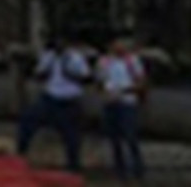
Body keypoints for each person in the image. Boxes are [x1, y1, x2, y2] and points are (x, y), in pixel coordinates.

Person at [16, 34, 96, 171]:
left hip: (69, 100)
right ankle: (19, 155)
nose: (58, 46)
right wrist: (42, 71)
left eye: (61, 44)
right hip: (50, 97)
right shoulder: (49, 56)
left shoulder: (75, 58)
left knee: (71, 135)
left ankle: (73, 166)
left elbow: (86, 77)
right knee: (28, 121)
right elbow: (39, 74)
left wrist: (70, 72)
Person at [97, 34, 149, 180]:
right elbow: (101, 81)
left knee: (130, 137)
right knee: (114, 139)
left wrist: (124, 91)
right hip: (111, 102)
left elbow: (141, 82)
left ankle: (137, 168)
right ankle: (120, 170)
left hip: (127, 102)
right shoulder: (105, 62)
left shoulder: (132, 61)